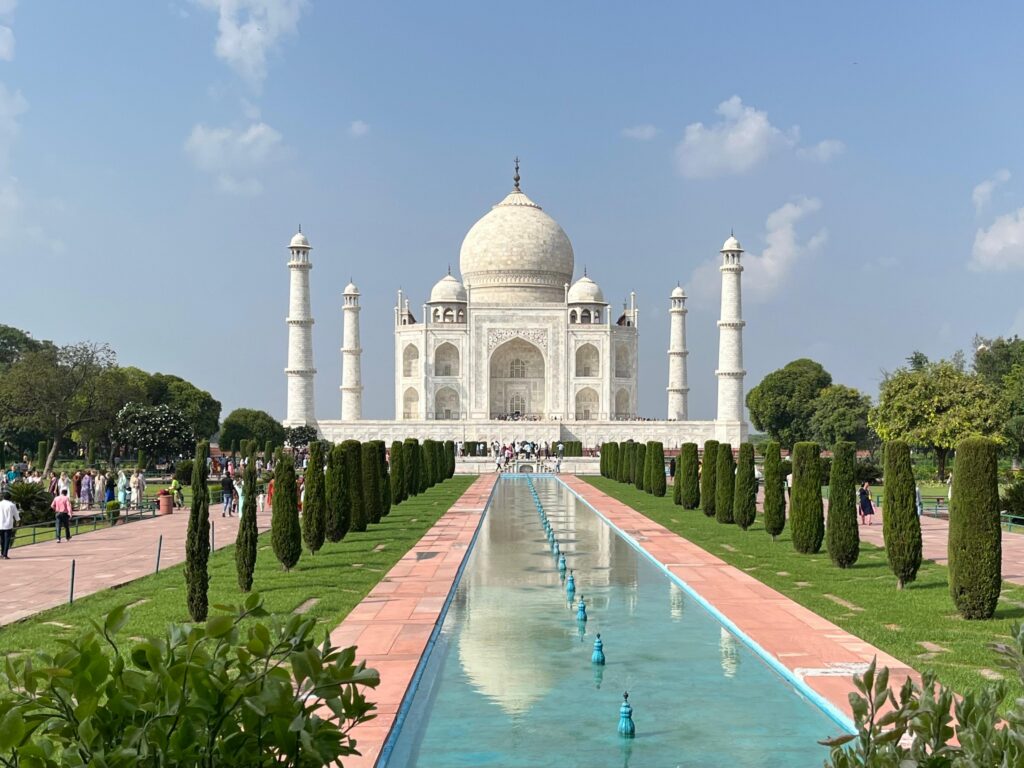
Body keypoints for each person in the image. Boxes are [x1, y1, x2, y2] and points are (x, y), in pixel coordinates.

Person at [0, 490, 19, 559]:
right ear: (10, 498)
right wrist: (18, 521)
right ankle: (5, 554)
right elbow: (16, 514)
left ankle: (2, 553)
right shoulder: (12, 505)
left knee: (1, 540)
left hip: (0, 524)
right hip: (8, 524)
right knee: (7, 540)